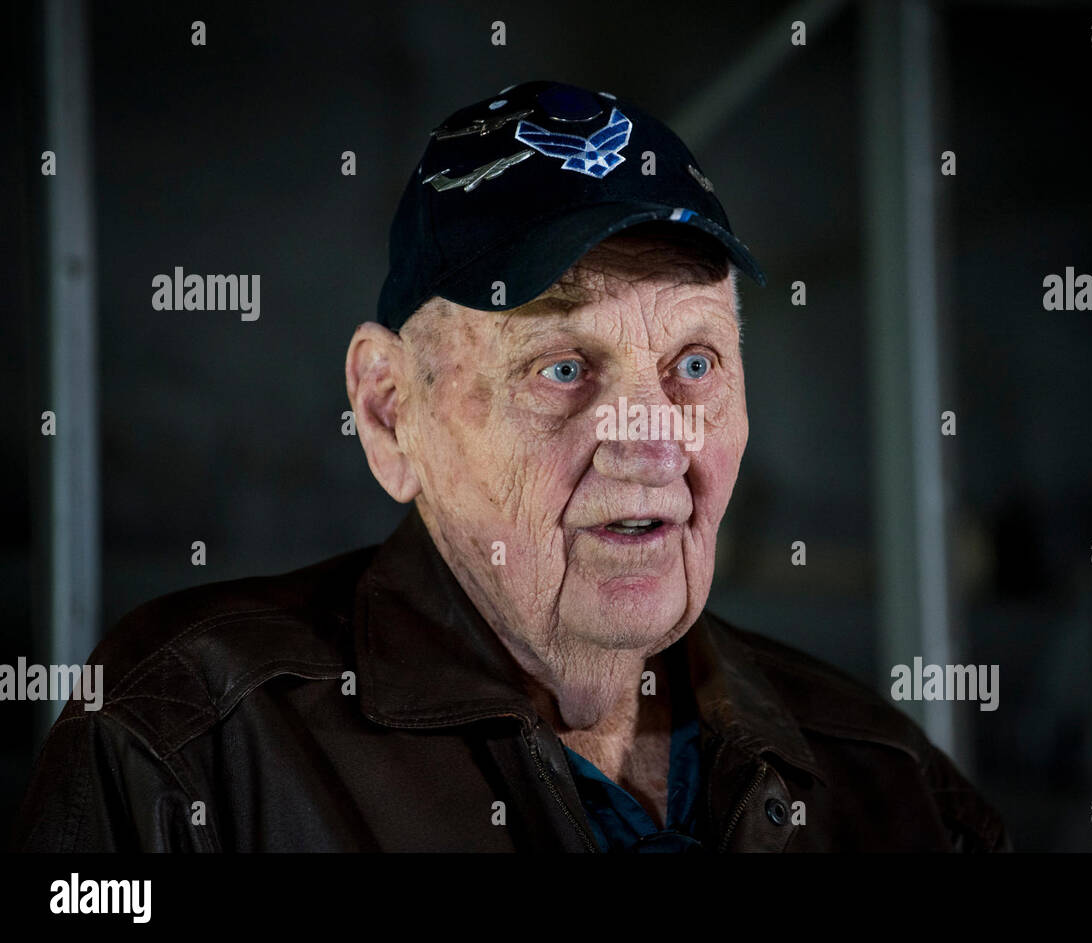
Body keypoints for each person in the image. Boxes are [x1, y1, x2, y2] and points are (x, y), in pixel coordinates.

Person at [13, 81, 1008, 852]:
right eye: (564, 367)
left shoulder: (884, 778)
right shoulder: (188, 744)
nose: (649, 436)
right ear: (389, 411)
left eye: (694, 364)